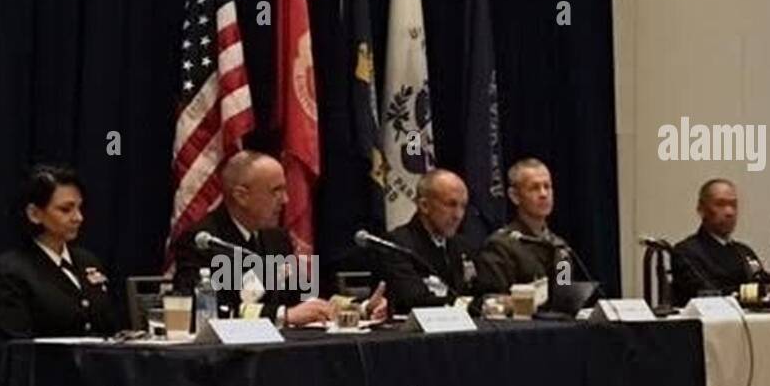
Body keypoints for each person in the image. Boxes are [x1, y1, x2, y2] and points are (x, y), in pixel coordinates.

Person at [172, 150, 385, 325]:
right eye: (276, 191)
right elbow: (207, 310)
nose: (285, 200)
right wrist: (284, 315)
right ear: (241, 196)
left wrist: (360, 307)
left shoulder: (277, 238)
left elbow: (306, 295)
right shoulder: (202, 240)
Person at [0, 166, 118, 362]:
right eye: (66, 209)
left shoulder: (88, 261)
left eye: (79, 208)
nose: (78, 218)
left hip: (99, 372)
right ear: (34, 214)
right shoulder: (11, 271)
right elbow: (17, 350)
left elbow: (110, 329)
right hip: (47, 375)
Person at [671, 178, 770, 305]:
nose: (729, 212)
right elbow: (710, 294)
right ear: (701, 209)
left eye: (733, 205)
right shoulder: (686, 252)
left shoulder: (743, 251)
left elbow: (762, 280)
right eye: (720, 204)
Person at [380, 169, 485, 312]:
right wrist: (470, 305)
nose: (458, 215)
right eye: (451, 204)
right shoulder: (397, 245)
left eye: (463, 206)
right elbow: (413, 299)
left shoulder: (463, 246)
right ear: (424, 206)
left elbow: (480, 290)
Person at [475, 157, 584, 291]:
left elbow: (564, 290)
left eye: (547, 186)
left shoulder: (560, 248)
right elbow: (494, 298)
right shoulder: (500, 246)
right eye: (534, 188)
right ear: (514, 196)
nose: (543, 194)